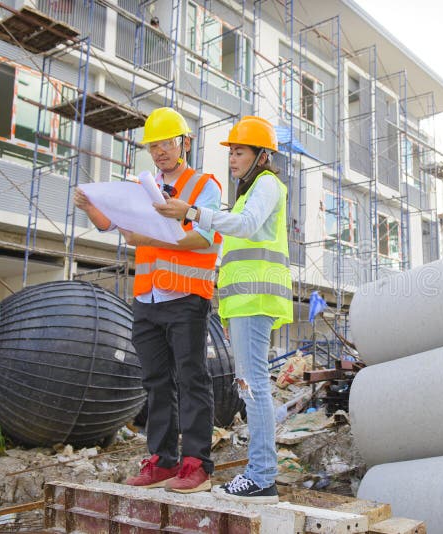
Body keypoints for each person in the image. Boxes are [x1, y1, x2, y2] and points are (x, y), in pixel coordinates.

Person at [73, 107, 221, 493]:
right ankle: (163, 461)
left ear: (184, 143)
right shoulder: (143, 187)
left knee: (191, 379)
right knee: (156, 381)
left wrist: (152, 238)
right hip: (148, 296)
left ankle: (196, 463)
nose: (159, 152)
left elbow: (205, 239)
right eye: (153, 146)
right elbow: (113, 225)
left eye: (166, 143)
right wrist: (91, 207)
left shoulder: (204, 185)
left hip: (187, 295)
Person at [156, 116, 293, 504]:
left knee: (254, 387)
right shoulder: (249, 191)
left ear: (261, 155)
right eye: (231, 152)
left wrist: (193, 212)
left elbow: (247, 227)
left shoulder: (267, 185)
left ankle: (262, 476)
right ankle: (260, 474)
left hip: (255, 301)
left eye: (239, 151)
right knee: (250, 385)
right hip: (243, 303)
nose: (232, 159)